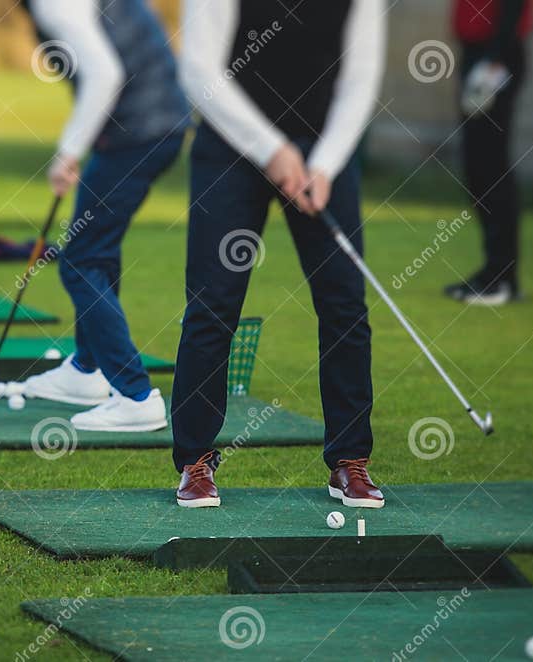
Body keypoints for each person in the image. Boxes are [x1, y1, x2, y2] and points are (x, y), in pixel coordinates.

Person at [172, 0, 386, 508]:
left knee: (344, 302)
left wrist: (326, 163)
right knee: (214, 302)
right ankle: (195, 461)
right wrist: (272, 149)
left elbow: (361, 75)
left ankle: (350, 460)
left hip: (323, 146)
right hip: (229, 145)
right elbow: (199, 69)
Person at [19, 0, 189, 432]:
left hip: (140, 132)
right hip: (152, 126)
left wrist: (69, 151)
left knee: (80, 261)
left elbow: (104, 74)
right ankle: (85, 370)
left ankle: (135, 395)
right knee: (95, 249)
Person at [444, 0, 533, 306]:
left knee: (489, 165)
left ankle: (502, 278)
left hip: (495, 55)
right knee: (477, 165)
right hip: (479, 52)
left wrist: (495, 58)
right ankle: (494, 271)